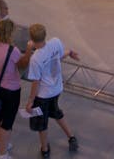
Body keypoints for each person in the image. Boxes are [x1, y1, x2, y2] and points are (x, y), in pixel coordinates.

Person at [25, 23, 80, 157]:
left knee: (41, 122)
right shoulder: (55, 42)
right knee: (55, 112)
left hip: (43, 95)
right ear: (45, 35)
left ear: (31, 39)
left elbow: (36, 82)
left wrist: (30, 101)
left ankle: (45, 149)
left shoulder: (35, 59)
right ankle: (71, 137)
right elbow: (60, 56)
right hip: (56, 88)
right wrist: (71, 52)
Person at [0, 19, 32, 159]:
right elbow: (22, 65)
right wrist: (28, 51)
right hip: (11, 90)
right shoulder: (13, 50)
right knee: (7, 122)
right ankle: (3, 154)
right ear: (9, 33)